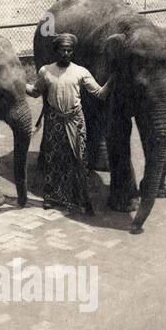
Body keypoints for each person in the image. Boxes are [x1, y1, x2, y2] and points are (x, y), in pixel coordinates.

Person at [27, 33, 112, 215]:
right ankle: (51, 197)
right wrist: (17, 83)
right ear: (56, 51)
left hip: (75, 120)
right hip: (54, 120)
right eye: (62, 50)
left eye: (69, 50)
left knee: (78, 159)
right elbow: (35, 91)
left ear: (73, 52)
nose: (66, 54)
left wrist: (113, 78)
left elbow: (99, 93)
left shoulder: (81, 72)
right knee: (53, 157)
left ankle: (79, 199)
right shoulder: (46, 71)